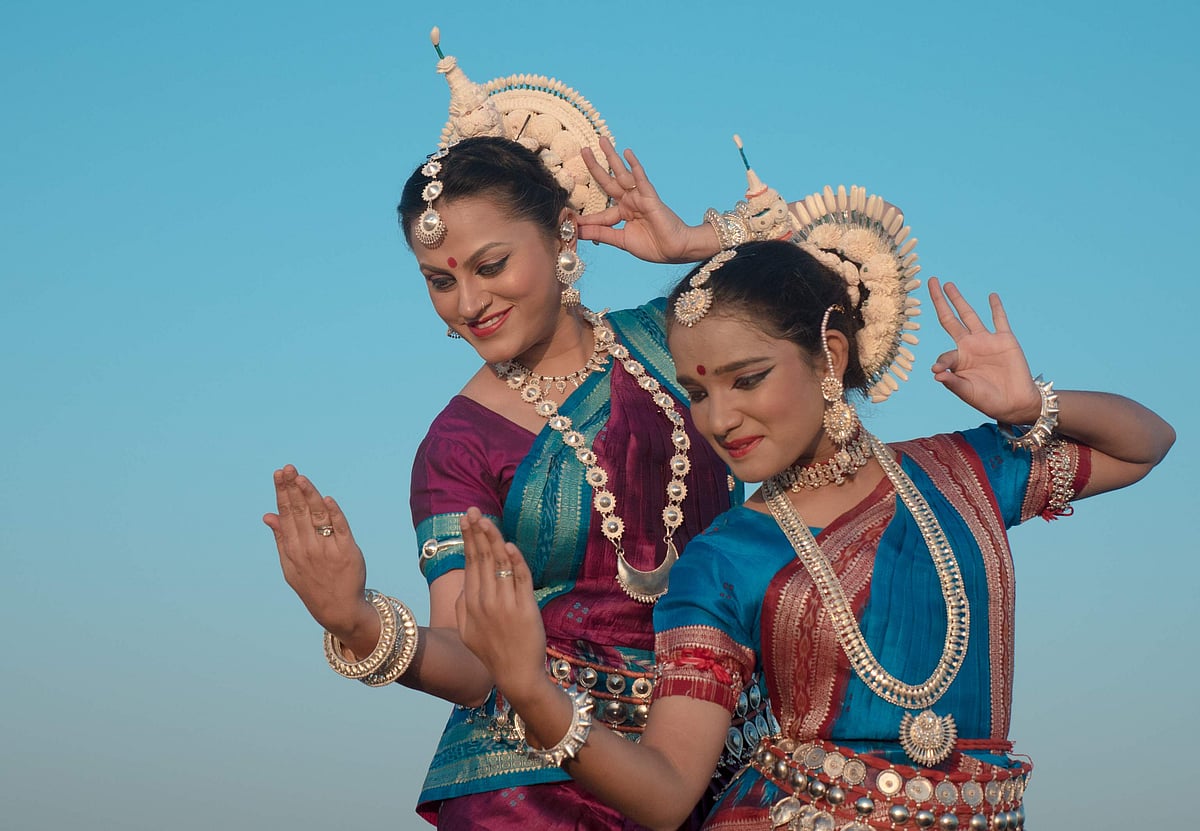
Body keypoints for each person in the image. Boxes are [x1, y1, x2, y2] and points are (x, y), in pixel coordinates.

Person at [454, 237, 1175, 830]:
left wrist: (1034, 403)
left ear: (829, 355)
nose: (718, 418)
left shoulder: (963, 470)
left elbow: (1145, 443)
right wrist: (529, 687)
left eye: (747, 378)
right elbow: (668, 789)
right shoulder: (721, 559)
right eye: (697, 390)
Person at [263, 36, 785, 830]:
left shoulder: (674, 340)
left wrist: (692, 245)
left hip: (728, 755)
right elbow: (471, 657)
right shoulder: (458, 445)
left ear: (564, 236)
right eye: (441, 281)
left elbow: (835, 295)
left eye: (490, 263)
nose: (468, 301)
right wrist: (357, 619)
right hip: (535, 781)